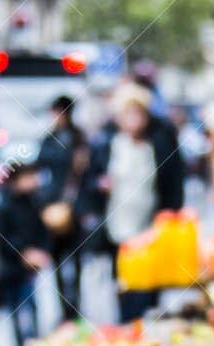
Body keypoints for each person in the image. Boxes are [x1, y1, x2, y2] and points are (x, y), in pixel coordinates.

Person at [103, 86, 185, 323]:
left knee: (148, 289)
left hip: (150, 228)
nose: (132, 120)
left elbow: (173, 179)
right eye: (126, 114)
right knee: (125, 288)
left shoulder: (159, 140)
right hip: (119, 230)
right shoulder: (111, 144)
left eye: (136, 113)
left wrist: (169, 215)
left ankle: (145, 328)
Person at [0, 161, 51, 346]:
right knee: (16, 310)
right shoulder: (4, 206)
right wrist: (23, 253)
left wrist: (42, 251)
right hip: (11, 268)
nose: (34, 181)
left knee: (32, 306)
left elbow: (42, 231)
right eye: (29, 177)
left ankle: (33, 344)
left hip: (29, 269)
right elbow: (3, 238)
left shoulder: (33, 201)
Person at [36, 95, 86, 321]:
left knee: (74, 260)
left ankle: (74, 304)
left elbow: (82, 173)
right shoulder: (50, 139)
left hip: (72, 208)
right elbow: (41, 168)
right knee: (56, 261)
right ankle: (63, 307)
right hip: (52, 206)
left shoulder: (77, 139)